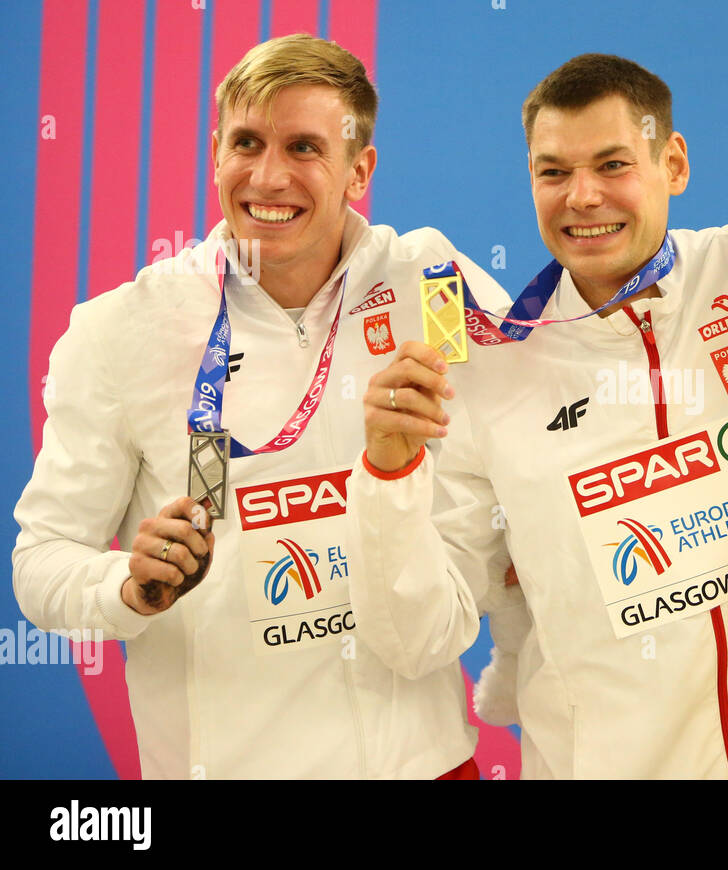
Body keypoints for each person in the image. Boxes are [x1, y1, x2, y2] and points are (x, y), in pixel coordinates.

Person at [347, 53, 728, 779]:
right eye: (553, 173)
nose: (582, 197)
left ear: (674, 163)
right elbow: (417, 637)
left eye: (612, 164)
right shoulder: (494, 367)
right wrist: (389, 472)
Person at [12, 34, 509, 779]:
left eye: (305, 147)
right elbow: (41, 562)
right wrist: (126, 585)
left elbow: (545, 433)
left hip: (424, 766)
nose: (269, 177)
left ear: (359, 170)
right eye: (246, 142)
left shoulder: (429, 284)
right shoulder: (122, 330)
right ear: (216, 152)